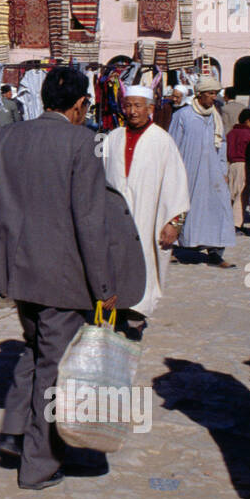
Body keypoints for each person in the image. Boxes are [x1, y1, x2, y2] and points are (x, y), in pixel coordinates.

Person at [0, 67, 120, 490]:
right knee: (55, 369)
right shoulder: (83, 142)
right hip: (62, 276)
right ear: (80, 104)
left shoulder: (6, 137)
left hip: (19, 273)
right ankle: (38, 464)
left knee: (35, 349)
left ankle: (15, 432)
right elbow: (90, 220)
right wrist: (104, 286)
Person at [101, 85, 190, 323]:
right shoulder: (113, 138)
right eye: (128, 105)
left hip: (148, 218)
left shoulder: (162, 141)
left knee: (145, 262)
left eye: (138, 106)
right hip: (115, 220)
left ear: (150, 109)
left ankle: (137, 314)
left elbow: (177, 184)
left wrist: (174, 223)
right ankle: (117, 309)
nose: (132, 111)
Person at [168, 74, 235, 267]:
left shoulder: (215, 116)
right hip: (187, 171)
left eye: (216, 93)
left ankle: (215, 252)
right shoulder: (183, 115)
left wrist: (222, 169)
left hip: (212, 173)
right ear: (200, 94)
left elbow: (221, 144)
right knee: (180, 209)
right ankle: (170, 248)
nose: (214, 97)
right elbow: (173, 144)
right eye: (211, 93)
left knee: (217, 208)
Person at [226, 108, 250, 233]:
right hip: (243, 164)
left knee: (231, 194)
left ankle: (227, 220)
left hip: (231, 164)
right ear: (248, 121)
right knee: (241, 195)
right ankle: (236, 223)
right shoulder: (249, 134)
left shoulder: (231, 133)